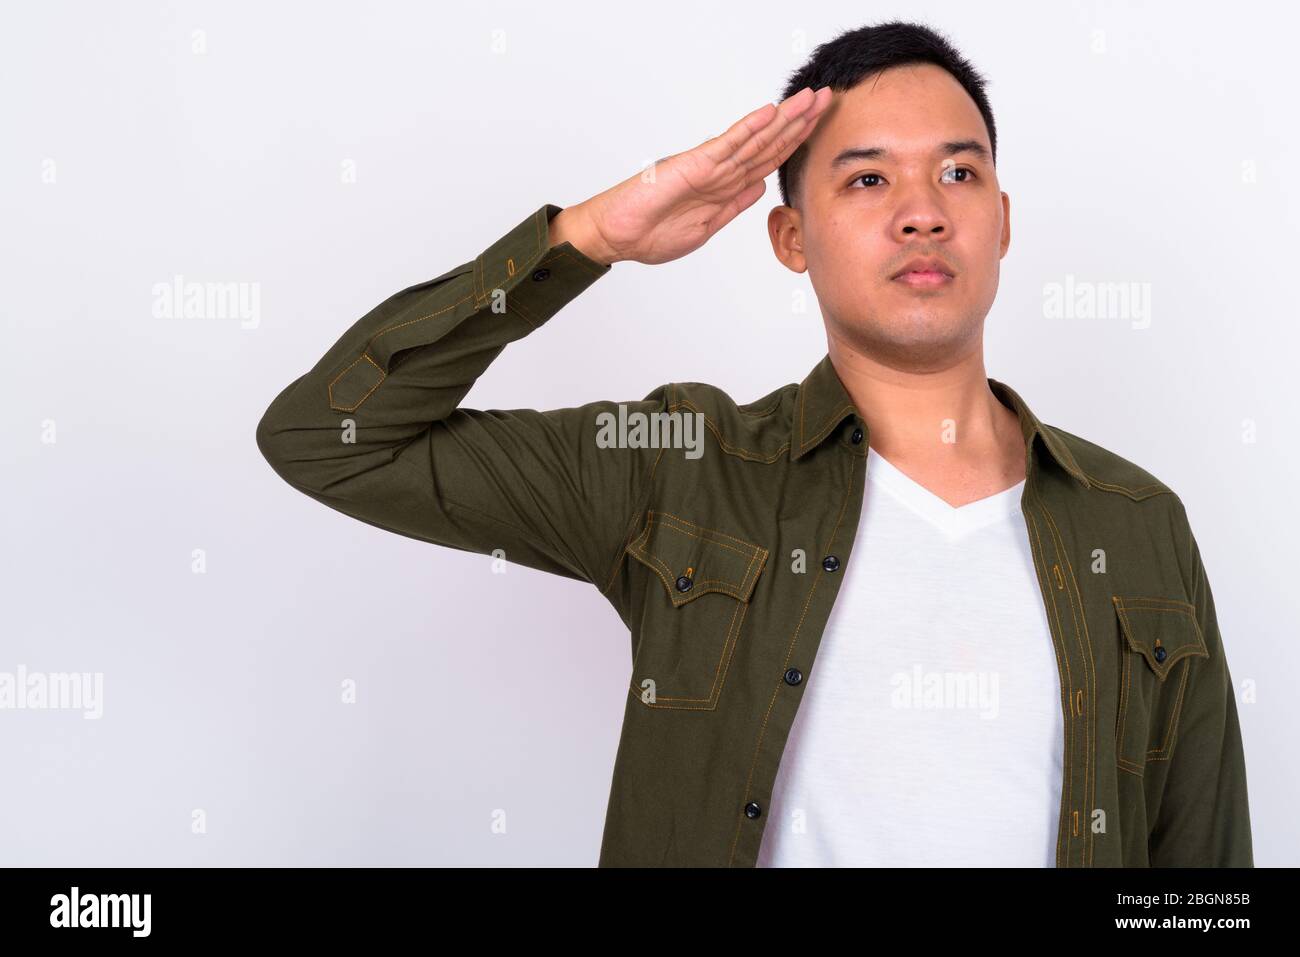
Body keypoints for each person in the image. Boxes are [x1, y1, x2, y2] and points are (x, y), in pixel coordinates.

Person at [256, 20, 1253, 867]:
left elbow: (1200, 869)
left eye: (958, 171)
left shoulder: (1133, 523)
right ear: (790, 238)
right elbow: (331, 439)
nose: (921, 211)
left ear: (1000, 221)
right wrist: (586, 238)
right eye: (866, 181)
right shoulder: (682, 469)